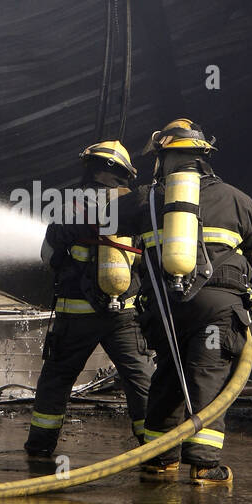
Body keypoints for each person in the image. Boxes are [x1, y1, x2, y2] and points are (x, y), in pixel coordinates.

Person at [116, 118, 252, 484]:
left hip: (165, 309)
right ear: (204, 157)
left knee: (168, 375)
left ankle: (159, 458)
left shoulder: (148, 200)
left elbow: (106, 224)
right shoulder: (237, 199)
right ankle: (204, 464)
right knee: (207, 376)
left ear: (163, 159)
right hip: (216, 307)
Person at [24, 140, 151, 460]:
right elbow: (150, 257)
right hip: (123, 314)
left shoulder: (69, 204)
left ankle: (40, 447)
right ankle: (156, 450)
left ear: (89, 167)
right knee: (140, 380)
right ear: (123, 172)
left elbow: (48, 256)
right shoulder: (136, 204)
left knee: (57, 379)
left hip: (75, 314)